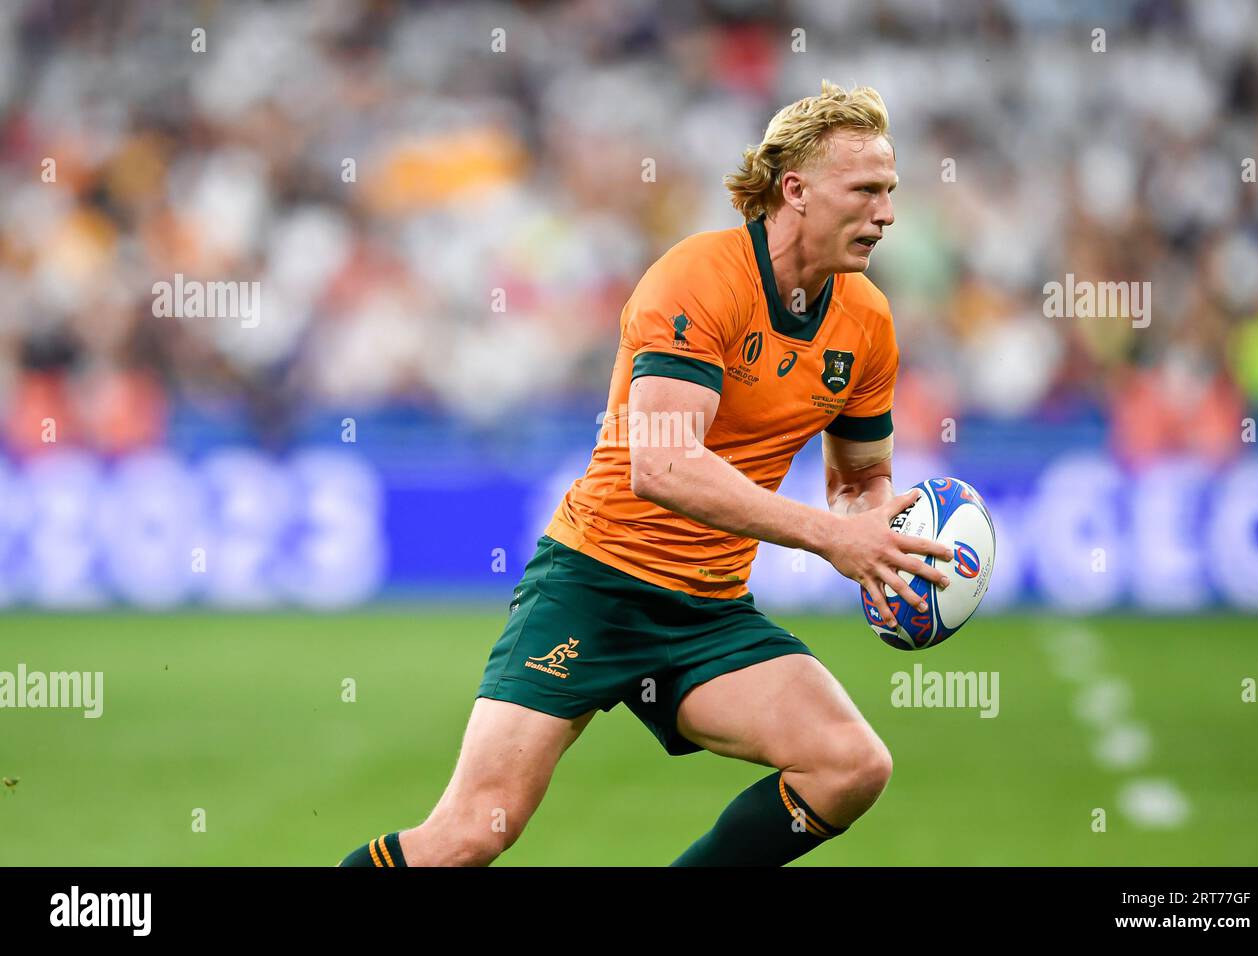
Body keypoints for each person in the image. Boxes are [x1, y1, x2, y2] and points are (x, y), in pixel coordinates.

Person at [340, 80, 952, 868]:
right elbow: (662, 467)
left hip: (707, 611)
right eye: (866, 190)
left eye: (890, 191)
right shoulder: (698, 279)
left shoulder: (866, 321)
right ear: (795, 190)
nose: (888, 213)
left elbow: (862, 472)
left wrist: (877, 532)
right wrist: (831, 538)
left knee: (851, 766)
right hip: (594, 586)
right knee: (468, 835)